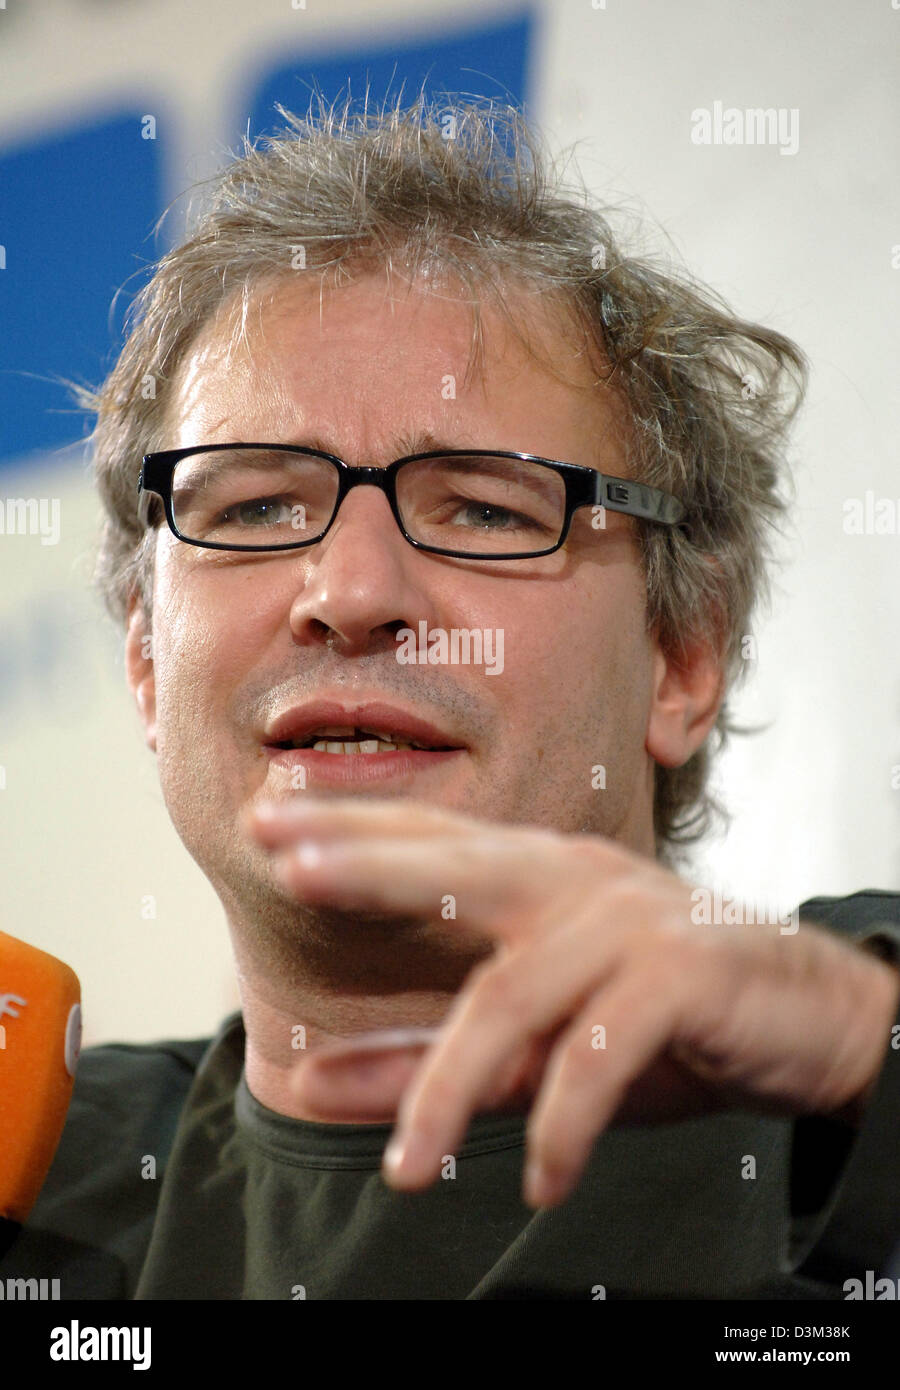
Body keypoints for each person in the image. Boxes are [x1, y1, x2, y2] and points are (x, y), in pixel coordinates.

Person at [5, 94, 899, 1301]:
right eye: (254, 505)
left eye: (484, 507)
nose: (353, 588)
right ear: (148, 662)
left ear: (683, 657)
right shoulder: (35, 1176)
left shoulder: (837, 1100)